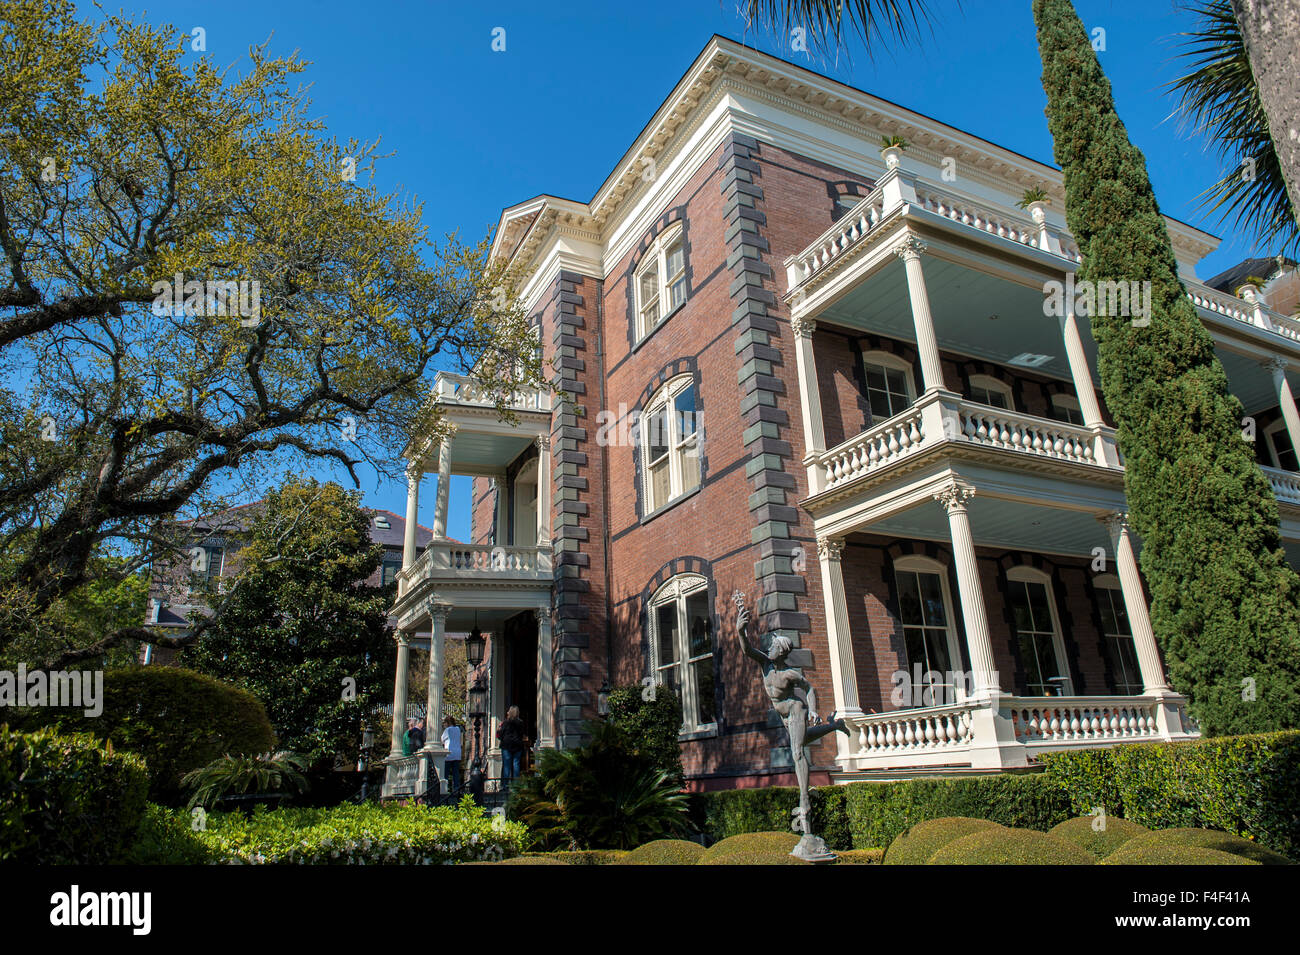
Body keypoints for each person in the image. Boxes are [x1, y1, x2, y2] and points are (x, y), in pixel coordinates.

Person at [734, 594, 848, 834]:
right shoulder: (765, 664)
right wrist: (740, 631)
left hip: (795, 710)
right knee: (804, 739)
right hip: (784, 717)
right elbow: (747, 650)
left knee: (798, 752)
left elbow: (809, 689)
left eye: (773, 647)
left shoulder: (789, 674)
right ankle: (835, 725)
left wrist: (813, 709)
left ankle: (804, 799)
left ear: (781, 651)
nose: (769, 648)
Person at [497, 705, 526, 787]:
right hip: (517, 746)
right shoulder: (520, 723)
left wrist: (499, 729)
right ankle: (516, 785)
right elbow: (521, 734)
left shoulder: (506, 722)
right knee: (516, 765)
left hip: (506, 746)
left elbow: (500, 734)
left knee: (506, 765)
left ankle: (505, 785)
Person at [441, 715, 463, 794]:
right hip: (457, 753)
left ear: (447, 723)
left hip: (449, 753)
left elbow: (442, 740)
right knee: (455, 772)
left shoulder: (447, 730)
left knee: (446, 772)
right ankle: (456, 788)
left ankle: (445, 788)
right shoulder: (458, 729)